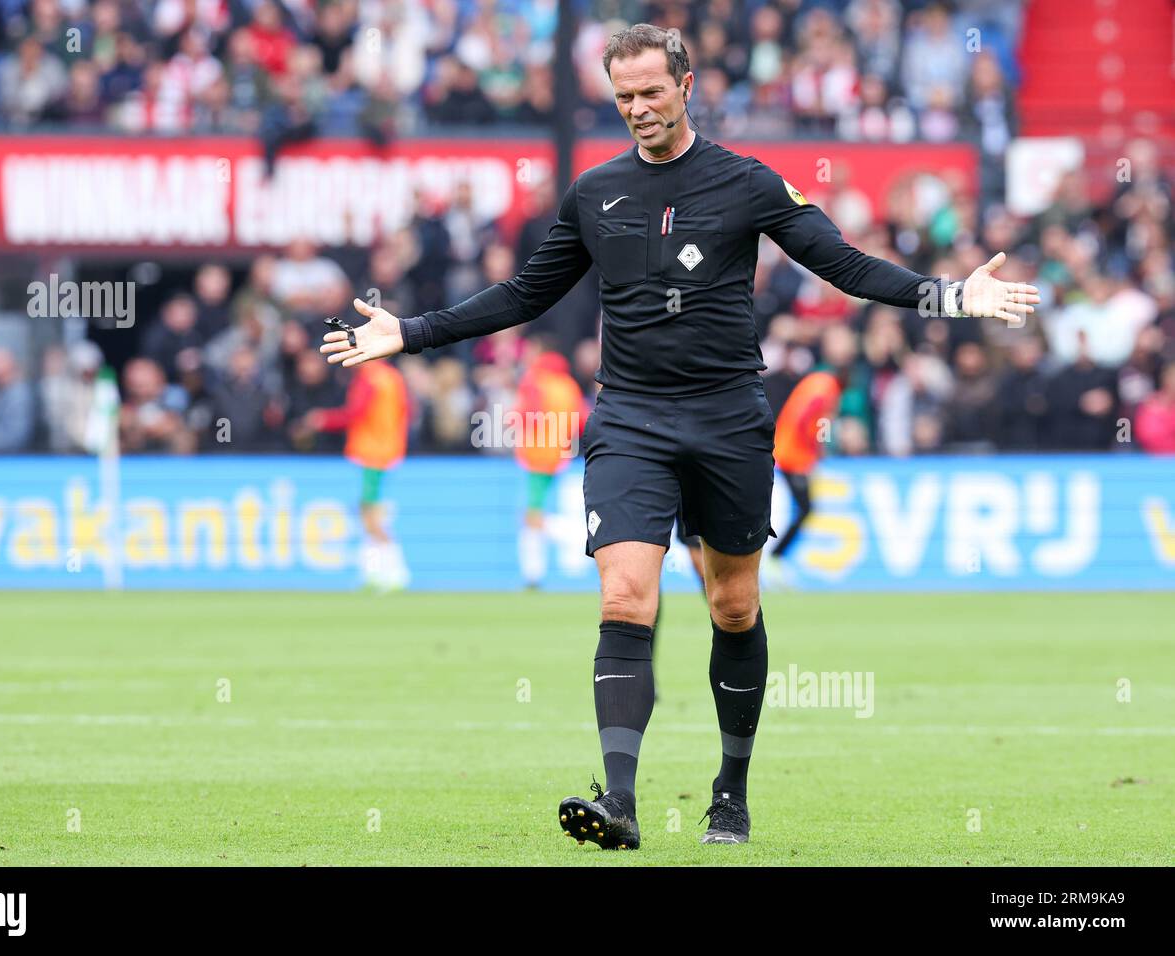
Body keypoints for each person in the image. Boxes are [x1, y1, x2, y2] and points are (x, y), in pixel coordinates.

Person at [320, 24, 1038, 848]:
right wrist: (411, 331)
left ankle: (729, 791)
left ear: (686, 84)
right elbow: (522, 295)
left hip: (729, 418)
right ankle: (618, 803)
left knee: (733, 606)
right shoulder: (595, 194)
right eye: (623, 97)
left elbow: (842, 264)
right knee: (625, 595)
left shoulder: (747, 183)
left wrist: (948, 297)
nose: (637, 109)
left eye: (651, 92)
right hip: (628, 418)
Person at [309, 360, 411, 591]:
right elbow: (406, 412)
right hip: (389, 449)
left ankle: (393, 572)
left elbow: (355, 412)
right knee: (371, 511)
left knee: (370, 514)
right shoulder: (392, 376)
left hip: (370, 452)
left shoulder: (369, 377)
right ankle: (376, 572)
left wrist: (322, 420)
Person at [513, 348, 586, 588]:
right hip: (560, 455)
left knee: (532, 515)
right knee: (533, 513)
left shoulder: (535, 382)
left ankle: (535, 571)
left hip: (536, 455)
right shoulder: (569, 386)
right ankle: (533, 573)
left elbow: (526, 415)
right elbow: (582, 421)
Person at [768, 367, 845, 586]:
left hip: (788, 453)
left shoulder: (816, 382)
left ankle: (776, 558)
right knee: (806, 509)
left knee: (803, 509)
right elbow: (815, 420)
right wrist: (817, 449)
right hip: (795, 459)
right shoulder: (827, 390)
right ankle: (775, 558)